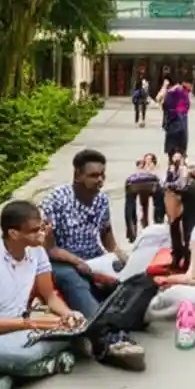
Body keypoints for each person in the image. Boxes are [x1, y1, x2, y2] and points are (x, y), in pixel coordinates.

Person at [40, 149, 145, 370]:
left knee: (135, 279)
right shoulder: (55, 200)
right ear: (77, 175)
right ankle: (107, 342)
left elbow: (106, 234)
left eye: (102, 175)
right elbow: (48, 248)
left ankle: (121, 323)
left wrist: (120, 254)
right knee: (75, 280)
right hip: (61, 261)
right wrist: (79, 263)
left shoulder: (102, 201)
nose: (100, 180)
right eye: (94, 175)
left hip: (95, 258)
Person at [0, 201, 85, 378]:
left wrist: (68, 315)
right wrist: (32, 324)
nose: (42, 234)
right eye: (35, 231)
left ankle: (19, 372)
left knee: (77, 329)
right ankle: (46, 364)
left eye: (42, 227)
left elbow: (49, 296)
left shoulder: (36, 251)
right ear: (13, 233)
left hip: (21, 330)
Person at [118, 178, 195, 324]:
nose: (164, 202)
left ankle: (134, 317)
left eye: (167, 197)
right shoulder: (185, 226)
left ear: (178, 199)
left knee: (171, 294)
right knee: (164, 290)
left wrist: (166, 280)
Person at [124, 153, 163, 242]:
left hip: (133, 184)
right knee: (159, 202)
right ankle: (158, 222)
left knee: (130, 205)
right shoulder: (154, 168)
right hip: (151, 184)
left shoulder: (139, 168)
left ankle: (131, 232)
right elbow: (160, 179)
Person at [162, 75, 192, 160]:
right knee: (177, 141)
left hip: (179, 118)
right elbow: (166, 104)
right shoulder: (176, 90)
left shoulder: (182, 91)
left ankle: (178, 157)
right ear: (184, 83)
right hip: (177, 118)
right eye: (190, 84)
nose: (191, 87)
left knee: (179, 141)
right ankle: (176, 158)